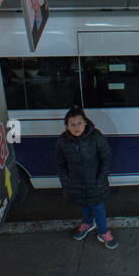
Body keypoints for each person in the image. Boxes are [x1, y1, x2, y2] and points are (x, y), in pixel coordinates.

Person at [55, 106, 117, 247]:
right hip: (75, 183)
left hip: (95, 181)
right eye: (72, 124)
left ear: (85, 123)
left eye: (79, 123)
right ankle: (88, 223)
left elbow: (106, 158)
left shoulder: (96, 136)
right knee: (83, 204)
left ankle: (103, 231)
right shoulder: (62, 142)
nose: (77, 127)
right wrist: (66, 182)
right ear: (67, 127)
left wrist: (101, 179)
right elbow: (60, 164)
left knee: (98, 206)